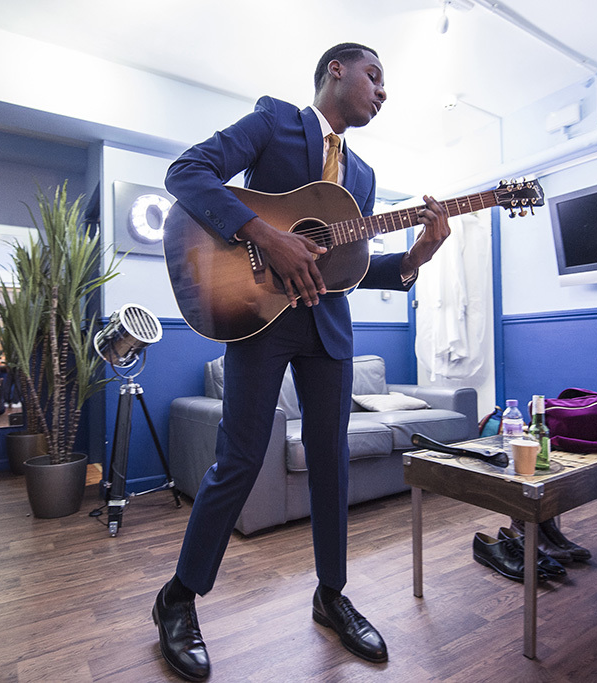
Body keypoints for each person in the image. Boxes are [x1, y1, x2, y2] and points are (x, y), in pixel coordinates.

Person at [154, 42, 451, 680]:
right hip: (259, 319)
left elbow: (355, 269)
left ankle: (331, 595)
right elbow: (187, 173)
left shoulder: (365, 178)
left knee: (330, 464)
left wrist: (419, 253)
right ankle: (178, 598)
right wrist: (267, 236)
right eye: (375, 75)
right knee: (237, 460)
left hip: (328, 331)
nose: (383, 90)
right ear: (334, 71)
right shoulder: (274, 123)